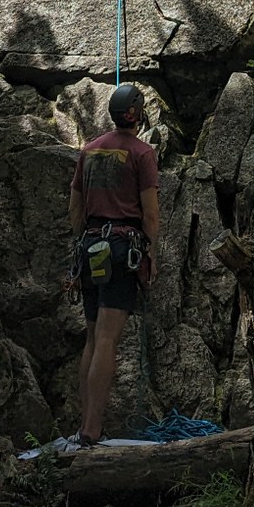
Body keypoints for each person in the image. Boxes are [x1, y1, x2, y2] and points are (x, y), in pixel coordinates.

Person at [65, 82, 160, 448]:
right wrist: (150, 255)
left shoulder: (89, 150)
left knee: (92, 337)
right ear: (138, 112)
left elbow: (75, 210)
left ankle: (84, 426)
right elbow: (150, 214)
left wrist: (82, 250)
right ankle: (92, 430)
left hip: (90, 247)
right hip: (123, 248)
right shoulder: (142, 153)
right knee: (107, 338)